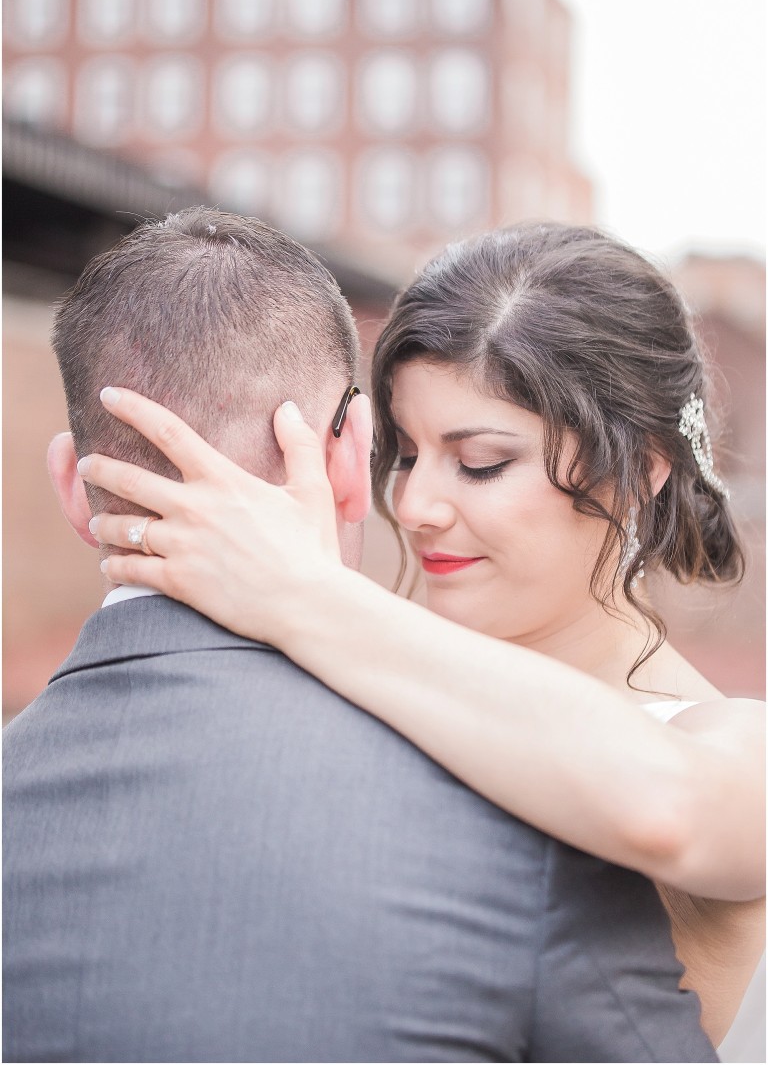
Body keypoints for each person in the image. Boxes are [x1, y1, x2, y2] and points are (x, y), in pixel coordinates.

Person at [3, 210, 718, 1064]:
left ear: (640, 470)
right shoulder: (398, 740)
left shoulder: (719, 747)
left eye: (482, 463)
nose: (411, 506)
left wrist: (300, 590)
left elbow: (667, 808)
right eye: (403, 455)